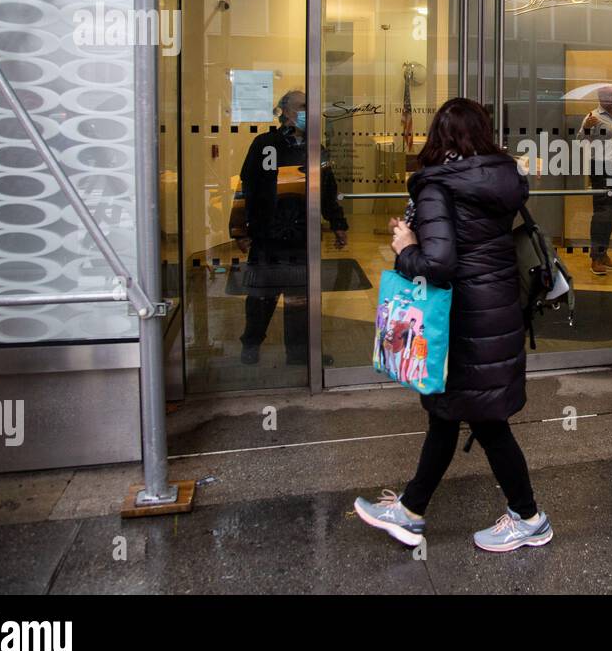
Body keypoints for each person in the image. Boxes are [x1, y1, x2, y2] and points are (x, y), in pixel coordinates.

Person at [354, 98, 552, 553]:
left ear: (439, 135)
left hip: (461, 321)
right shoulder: (500, 178)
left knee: (479, 419)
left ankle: (529, 518)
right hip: (492, 313)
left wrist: (405, 245)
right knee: (454, 414)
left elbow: (438, 264)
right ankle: (409, 511)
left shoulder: (437, 185)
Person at [235, 89, 347, 367]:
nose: (307, 112)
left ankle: (298, 353)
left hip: (301, 235)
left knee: (300, 298)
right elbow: (246, 186)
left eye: (310, 107)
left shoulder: (314, 148)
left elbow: (327, 190)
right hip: (266, 235)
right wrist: (240, 229)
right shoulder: (264, 143)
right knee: (261, 296)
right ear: (284, 110)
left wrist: (338, 223)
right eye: (301, 106)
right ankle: (251, 345)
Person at [580, 85, 612, 276]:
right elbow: (582, 142)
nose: (611, 98)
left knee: (611, 212)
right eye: (607, 95)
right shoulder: (592, 116)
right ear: (599, 97)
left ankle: (603, 253)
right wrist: (587, 129)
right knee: (601, 213)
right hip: (600, 168)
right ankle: (595, 258)